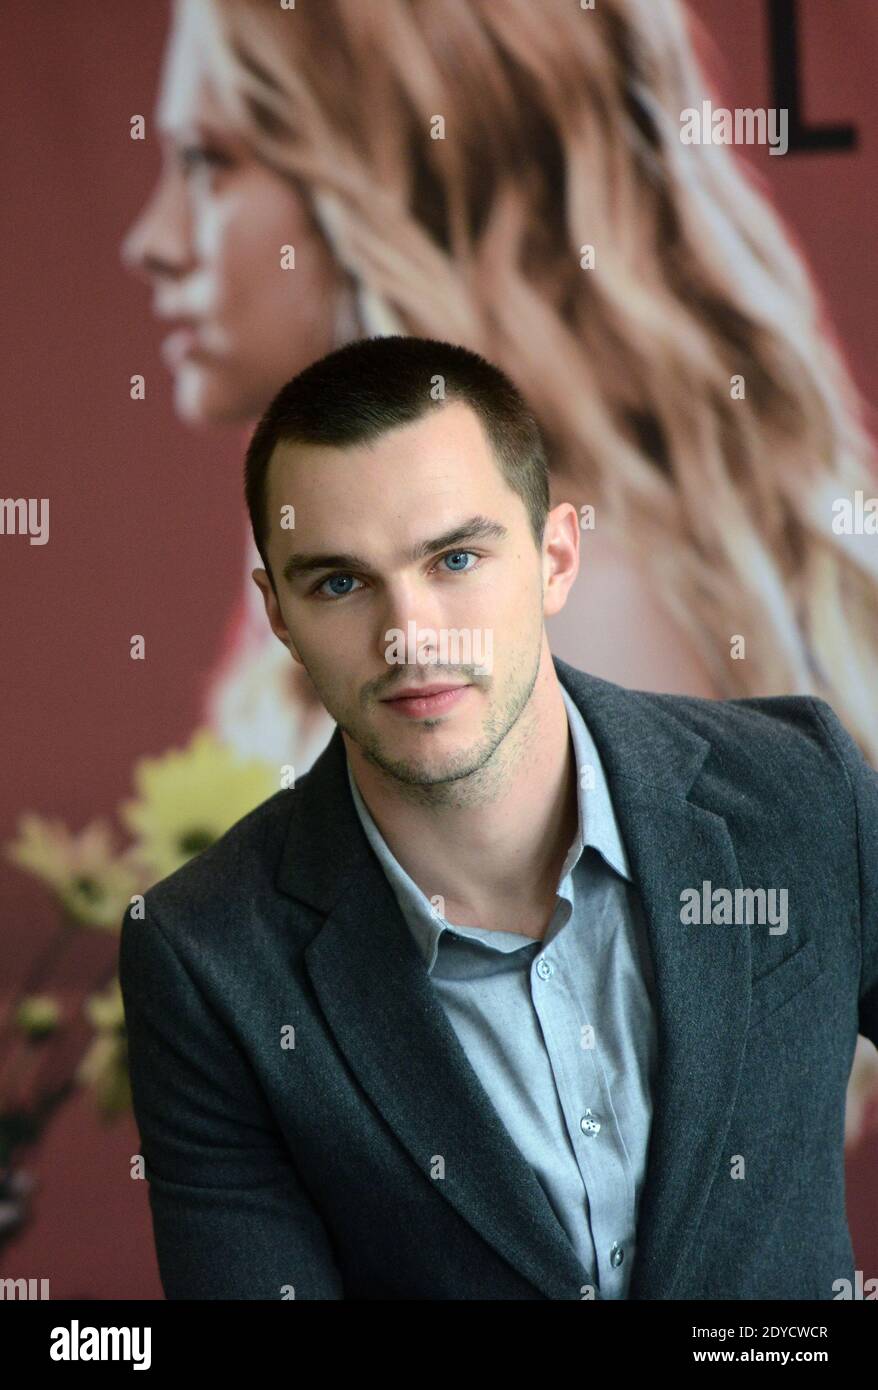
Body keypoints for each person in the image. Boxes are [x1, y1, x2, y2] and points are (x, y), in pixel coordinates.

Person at [119, 336, 878, 1299]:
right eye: (340, 583)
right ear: (277, 612)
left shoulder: (796, 792)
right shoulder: (208, 956)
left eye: (457, 557)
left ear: (556, 557)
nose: (410, 636)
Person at [120, 0, 878, 778]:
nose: (152, 241)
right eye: (342, 582)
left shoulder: (585, 621)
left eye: (209, 162)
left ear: (395, 175)